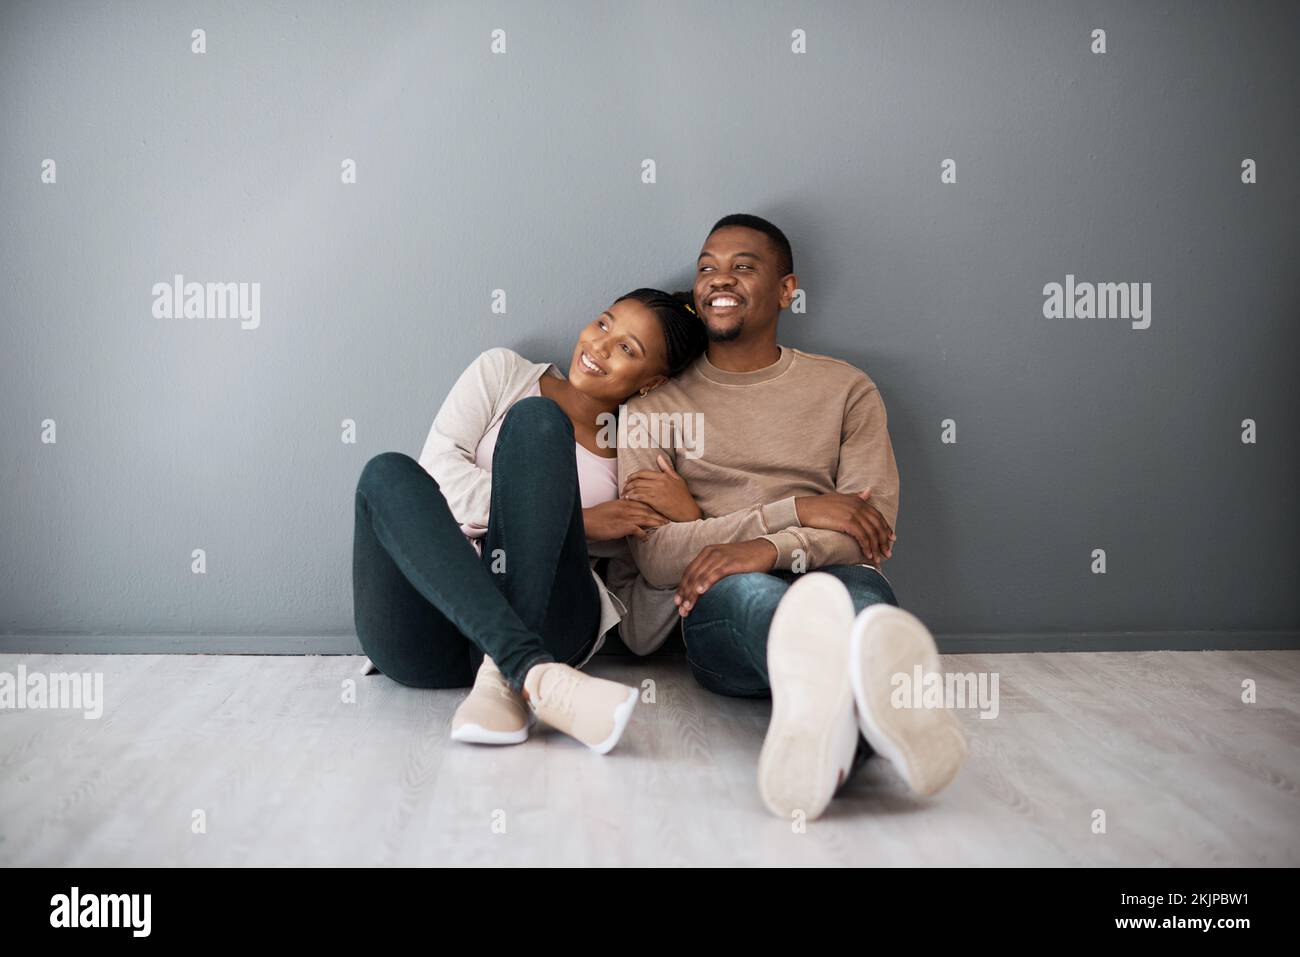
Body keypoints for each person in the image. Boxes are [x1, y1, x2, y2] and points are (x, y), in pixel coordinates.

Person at [613, 215, 968, 814]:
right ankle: (885, 709)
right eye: (707, 268)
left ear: (786, 290)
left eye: (742, 266)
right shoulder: (655, 406)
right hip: (723, 596)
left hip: (832, 574)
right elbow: (653, 554)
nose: (718, 280)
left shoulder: (846, 389)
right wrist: (799, 513)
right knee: (760, 600)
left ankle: (827, 730)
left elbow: (869, 532)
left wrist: (765, 546)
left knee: (861, 608)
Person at [353, 289, 706, 754]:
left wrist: (691, 525)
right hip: (427, 638)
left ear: (651, 382)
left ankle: (511, 669)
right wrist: (578, 521)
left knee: (540, 423)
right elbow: (435, 473)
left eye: (626, 348)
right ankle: (532, 675)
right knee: (385, 473)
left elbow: (639, 626)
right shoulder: (503, 373)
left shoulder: (636, 455)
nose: (599, 346)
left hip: (549, 623)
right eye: (604, 324)